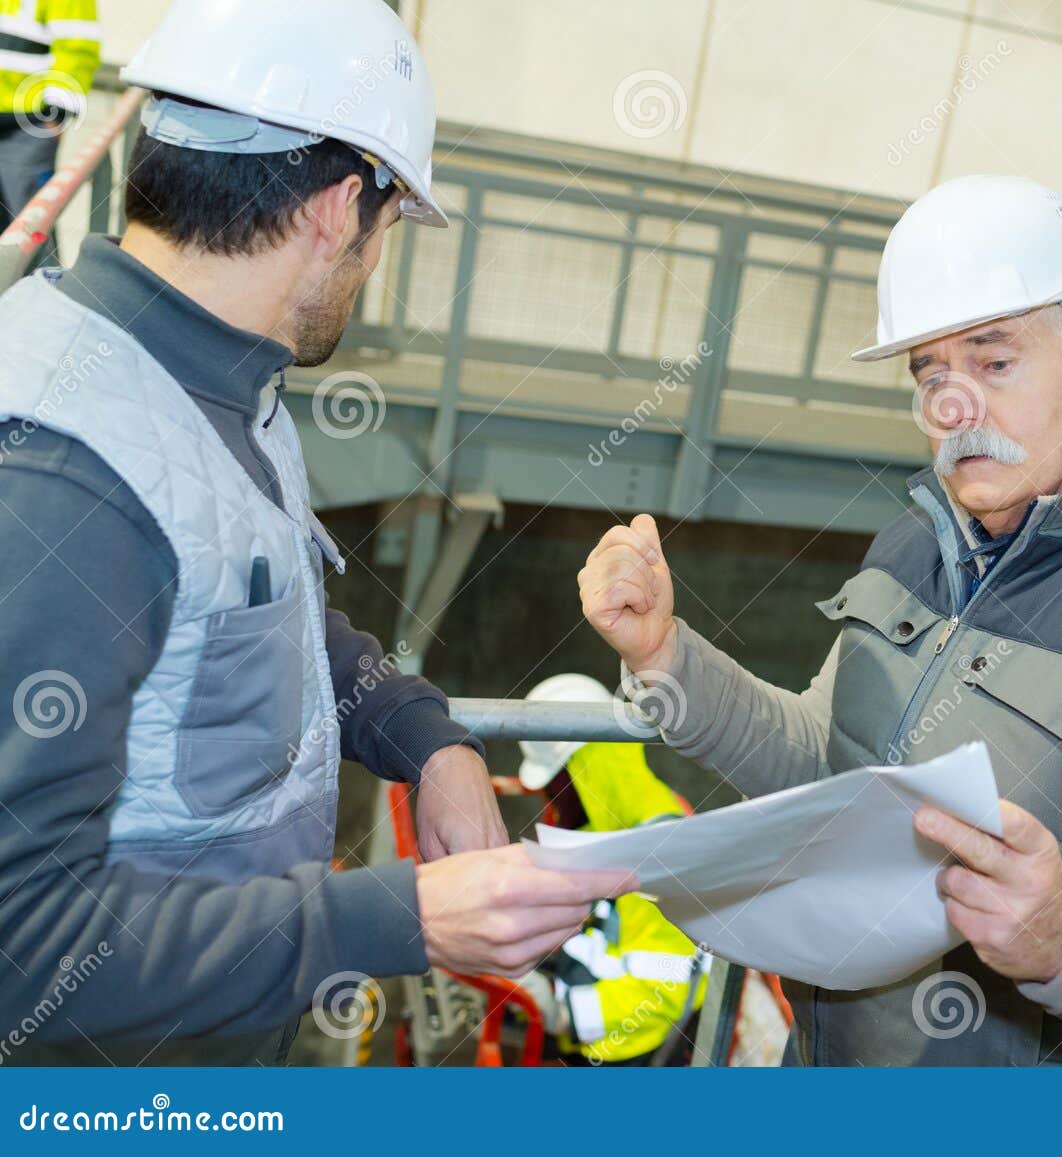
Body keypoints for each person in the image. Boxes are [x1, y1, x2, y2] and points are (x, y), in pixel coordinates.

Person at [579, 174, 1062, 1066]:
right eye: (931, 373)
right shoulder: (916, 547)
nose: (954, 408)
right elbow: (823, 763)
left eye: (994, 363)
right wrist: (667, 656)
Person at [0, 0, 629, 1066]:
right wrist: (394, 918)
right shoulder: (65, 468)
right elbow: (21, 945)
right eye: (388, 227)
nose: (374, 258)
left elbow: (258, 618)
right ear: (340, 209)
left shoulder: (218, 385)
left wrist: (424, 736)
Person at [513, 675, 708, 1066]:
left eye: (554, 783)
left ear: (585, 773)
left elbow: (666, 991)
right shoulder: (627, 823)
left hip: (635, 1053)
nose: (548, 796)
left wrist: (563, 1013)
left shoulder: (655, 850)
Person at [0, 0, 99, 269]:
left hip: (28, 123)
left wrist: (57, 114)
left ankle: (38, 300)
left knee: (30, 225)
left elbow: (78, 48)